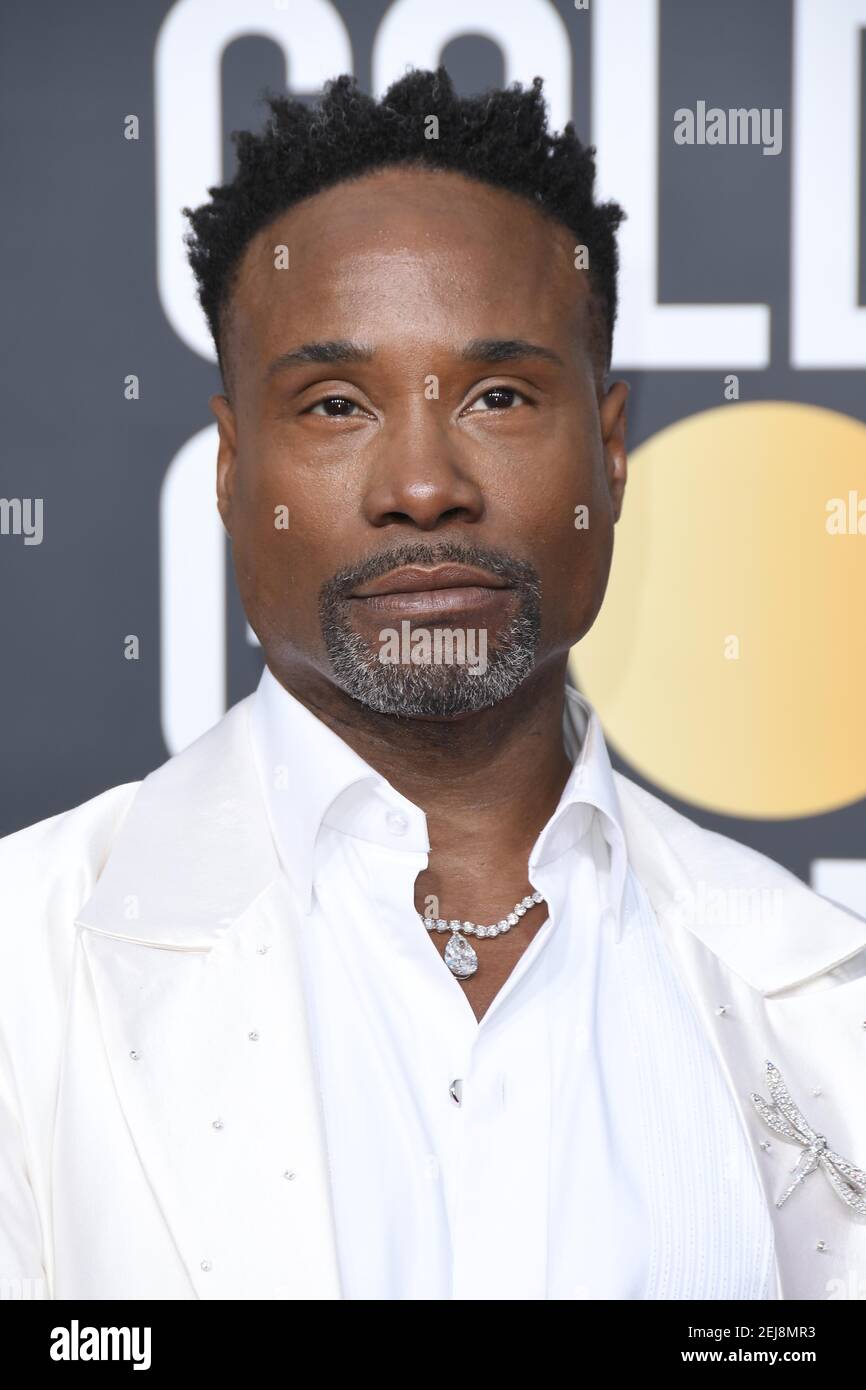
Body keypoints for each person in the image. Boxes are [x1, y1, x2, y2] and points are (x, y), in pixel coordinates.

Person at [2, 68, 865, 1302]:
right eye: (336, 402)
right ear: (231, 464)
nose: (421, 482)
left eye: (499, 395)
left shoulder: (825, 1007)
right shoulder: (20, 969)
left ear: (609, 449)